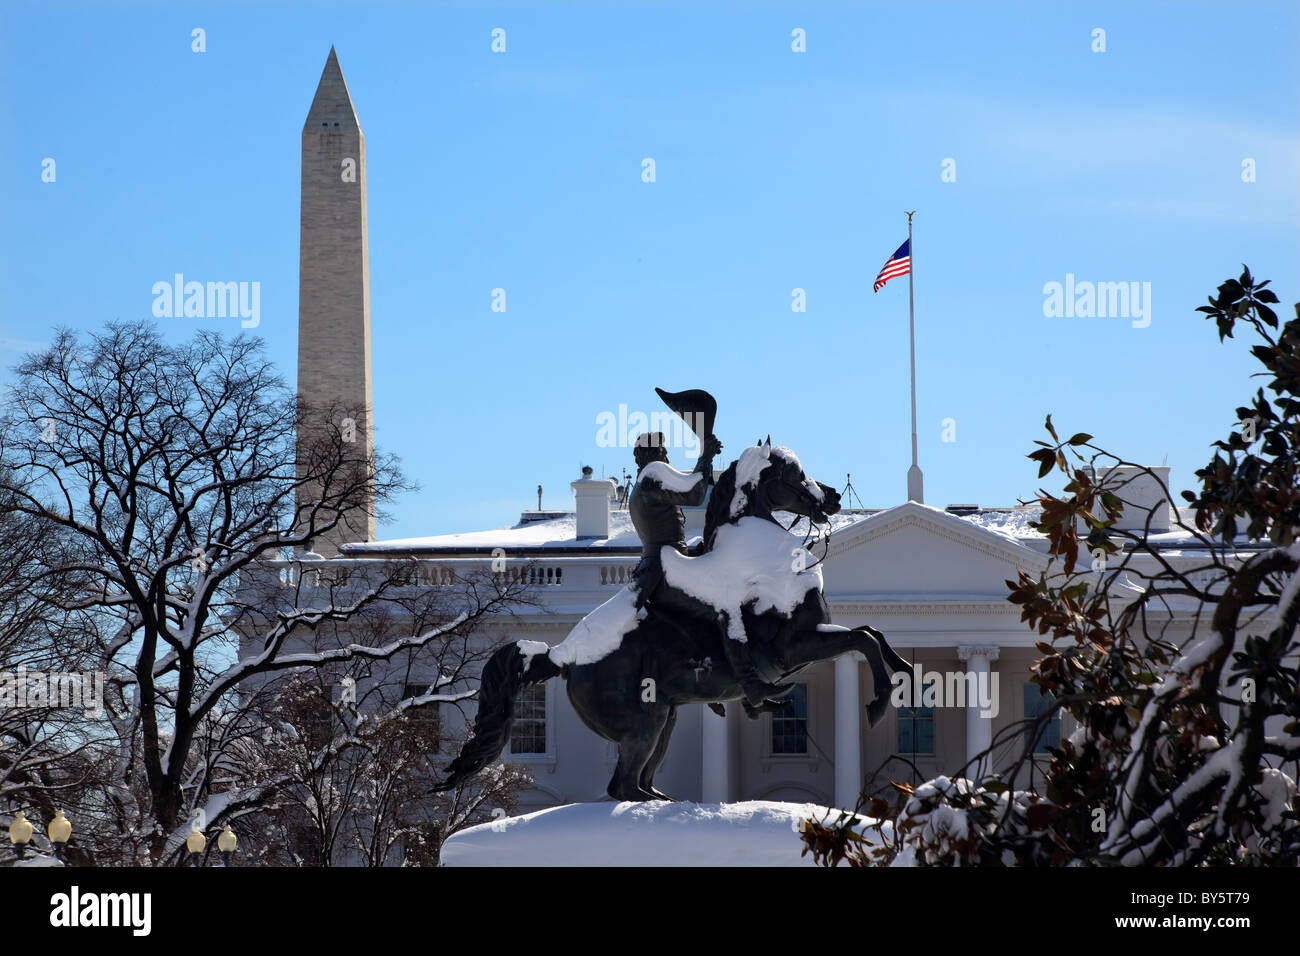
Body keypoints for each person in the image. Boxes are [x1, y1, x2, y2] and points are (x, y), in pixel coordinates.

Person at [627, 431, 773, 708]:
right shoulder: (653, 474)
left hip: (661, 567)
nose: (667, 457)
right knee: (725, 609)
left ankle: (720, 679)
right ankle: (750, 688)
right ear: (652, 454)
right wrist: (705, 456)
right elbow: (694, 494)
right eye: (663, 451)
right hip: (665, 570)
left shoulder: (643, 481)